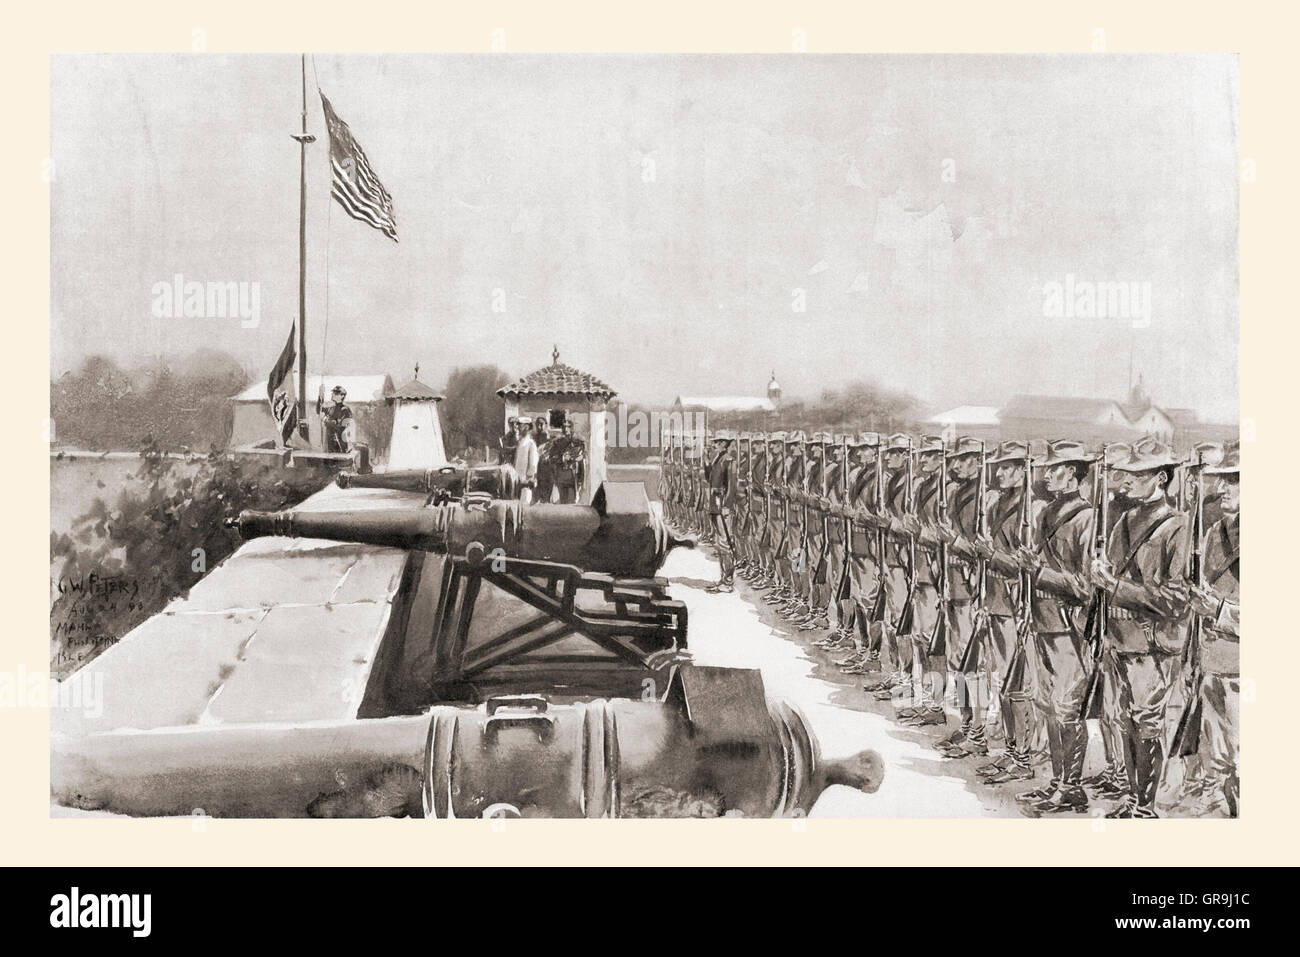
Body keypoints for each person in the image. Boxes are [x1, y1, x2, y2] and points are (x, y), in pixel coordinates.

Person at [1091, 437, 1190, 819]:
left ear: (1161, 478)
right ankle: (1134, 799)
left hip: (1151, 643)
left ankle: (1144, 808)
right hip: (1118, 639)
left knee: (1146, 723)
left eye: (1138, 474)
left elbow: (1174, 599)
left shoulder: (1177, 526)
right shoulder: (1124, 520)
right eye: (1126, 475)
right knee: (1124, 722)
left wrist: (1113, 585)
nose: (1125, 482)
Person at [1011, 440, 1098, 811]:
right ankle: (1057, 783)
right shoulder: (1046, 512)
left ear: (1075, 473)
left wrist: (1039, 572)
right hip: (1041, 622)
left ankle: (1071, 786)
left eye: (1056, 468)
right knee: (1047, 705)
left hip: (1069, 628)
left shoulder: (1087, 518)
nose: (1047, 474)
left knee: (1066, 709)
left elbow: (1085, 587)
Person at [1186, 441, 1240, 817]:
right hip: (1212, 659)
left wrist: (1219, 610)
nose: (1224, 489)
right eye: (1223, 480)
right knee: (1217, 750)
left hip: (1245, 666)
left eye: (1235, 481)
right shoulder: (1211, 535)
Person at [705, 430, 739, 593]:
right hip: (715, 504)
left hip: (722, 505)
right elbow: (709, 480)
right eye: (715, 442)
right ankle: (723, 578)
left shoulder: (729, 460)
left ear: (725, 443)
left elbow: (732, 486)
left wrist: (727, 505)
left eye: (719, 442)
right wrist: (706, 461)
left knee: (725, 544)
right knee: (719, 544)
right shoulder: (717, 459)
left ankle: (728, 580)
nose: (715, 444)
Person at [550, 418, 587, 504]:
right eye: (564, 427)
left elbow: (582, 459)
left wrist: (581, 480)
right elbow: (552, 458)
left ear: (572, 428)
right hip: (561, 476)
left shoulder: (579, 442)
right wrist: (562, 458)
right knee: (562, 502)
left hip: (573, 476)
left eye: (568, 427)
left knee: (572, 502)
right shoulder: (557, 443)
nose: (566, 429)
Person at [321, 385, 355, 453]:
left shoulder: (345, 410)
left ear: (342, 396)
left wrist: (326, 420)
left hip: (340, 444)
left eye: (336, 393)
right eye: (333, 393)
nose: (333, 395)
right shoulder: (331, 408)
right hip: (330, 444)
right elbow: (320, 411)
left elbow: (340, 427)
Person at [514, 419, 539, 506]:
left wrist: (528, 479)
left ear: (526, 427)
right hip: (517, 481)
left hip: (526, 483)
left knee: (524, 507)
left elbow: (533, 464)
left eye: (520, 425)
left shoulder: (531, 444)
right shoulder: (520, 443)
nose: (517, 427)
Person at [533, 417, 554, 503]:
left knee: (547, 492)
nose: (539, 427)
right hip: (537, 469)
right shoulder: (533, 439)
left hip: (547, 469)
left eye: (541, 424)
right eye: (537, 424)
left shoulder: (551, 440)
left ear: (546, 425)